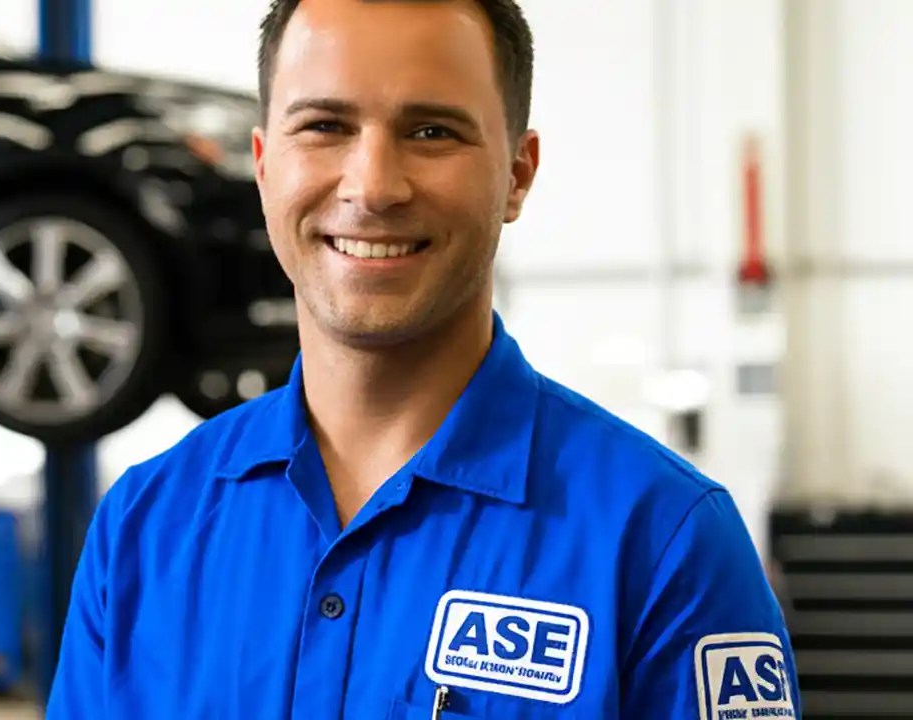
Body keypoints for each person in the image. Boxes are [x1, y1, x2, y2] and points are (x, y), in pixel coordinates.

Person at [47, 0, 801, 717]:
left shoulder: (663, 542)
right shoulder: (145, 529)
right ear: (264, 163)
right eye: (324, 126)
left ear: (518, 173)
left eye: (433, 132)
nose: (373, 187)